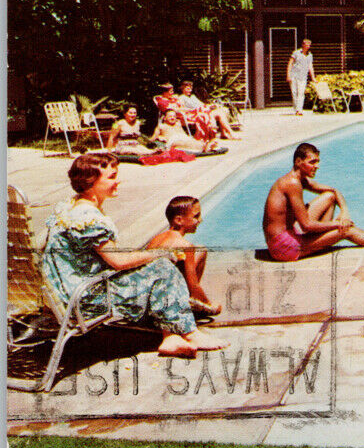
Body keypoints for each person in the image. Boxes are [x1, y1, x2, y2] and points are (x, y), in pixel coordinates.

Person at [41, 152, 226, 358]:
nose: (118, 181)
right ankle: (190, 334)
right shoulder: (88, 218)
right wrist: (159, 253)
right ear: (90, 182)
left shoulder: (71, 207)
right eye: (111, 177)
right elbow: (118, 262)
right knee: (163, 267)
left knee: (154, 266)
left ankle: (171, 338)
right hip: (86, 299)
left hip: (67, 290)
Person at [262, 143, 364, 261]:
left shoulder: (299, 179)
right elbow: (306, 225)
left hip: (290, 234)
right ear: (298, 162)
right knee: (346, 230)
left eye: (317, 161)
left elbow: (333, 191)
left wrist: (344, 212)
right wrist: (338, 224)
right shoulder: (292, 183)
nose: (317, 166)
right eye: (312, 162)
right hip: (283, 248)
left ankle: (324, 237)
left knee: (329, 197)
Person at [146, 195, 221, 316]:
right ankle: (190, 302)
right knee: (216, 308)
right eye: (196, 216)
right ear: (179, 220)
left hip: (149, 299)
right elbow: (193, 285)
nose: (200, 220)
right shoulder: (185, 246)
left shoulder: (156, 239)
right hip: (165, 303)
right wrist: (209, 305)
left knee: (200, 250)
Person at [150, 110, 221, 153]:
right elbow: (152, 139)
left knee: (192, 141)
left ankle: (204, 145)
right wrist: (159, 137)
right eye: (170, 116)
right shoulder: (161, 126)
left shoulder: (178, 124)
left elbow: (184, 135)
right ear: (164, 118)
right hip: (173, 141)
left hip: (183, 137)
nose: (172, 118)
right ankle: (204, 147)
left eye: (174, 116)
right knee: (183, 143)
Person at [285, 39, 316, 116]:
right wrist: (288, 75)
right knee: (294, 93)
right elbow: (290, 63)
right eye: (306, 45)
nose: (308, 46)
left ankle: (299, 110)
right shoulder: (296, 53)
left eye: (309, 45)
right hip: (294, 76)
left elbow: (310, 66)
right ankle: (296, 109)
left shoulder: (310, 55)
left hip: (303, 76)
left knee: (301, 93)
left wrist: (313, 77)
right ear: (303, 45)